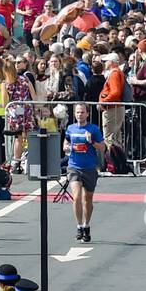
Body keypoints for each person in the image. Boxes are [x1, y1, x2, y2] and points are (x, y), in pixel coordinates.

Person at [64, 102, 104, 242]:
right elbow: (66, 143)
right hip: (74, 166)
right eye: (77, 112)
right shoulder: (70, 128)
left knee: (87, 199)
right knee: (76, 197)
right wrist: (67, 147)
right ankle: (79, 226)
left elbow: (102, 147)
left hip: (90, 167)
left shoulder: (93, 129)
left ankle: (86, 225)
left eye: (82, 112)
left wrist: (91, 141)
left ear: (87, 114)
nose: (79, 115)